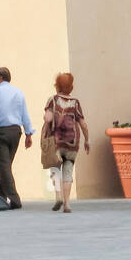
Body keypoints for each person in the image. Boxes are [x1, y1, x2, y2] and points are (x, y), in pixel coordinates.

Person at [0, 66, 34, 209]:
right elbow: (25, 114)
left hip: (0, 132)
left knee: (3, 166)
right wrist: (28, 133)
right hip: (16, 132)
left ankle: (15, 199)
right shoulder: (18, 93)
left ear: (0, 77)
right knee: (6, 166)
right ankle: (0, 196)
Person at [44, 72, 89, 213]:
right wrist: (87, 140)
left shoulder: (53, 100)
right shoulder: (75, 102)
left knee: (55, 168)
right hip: (72, 142)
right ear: (71, 87)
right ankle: (67, 203)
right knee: (68, 172)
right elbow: (83, 124)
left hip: (56, 141)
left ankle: (58, 196)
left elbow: (48, 119)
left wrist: (45, 134)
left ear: (57, 86)